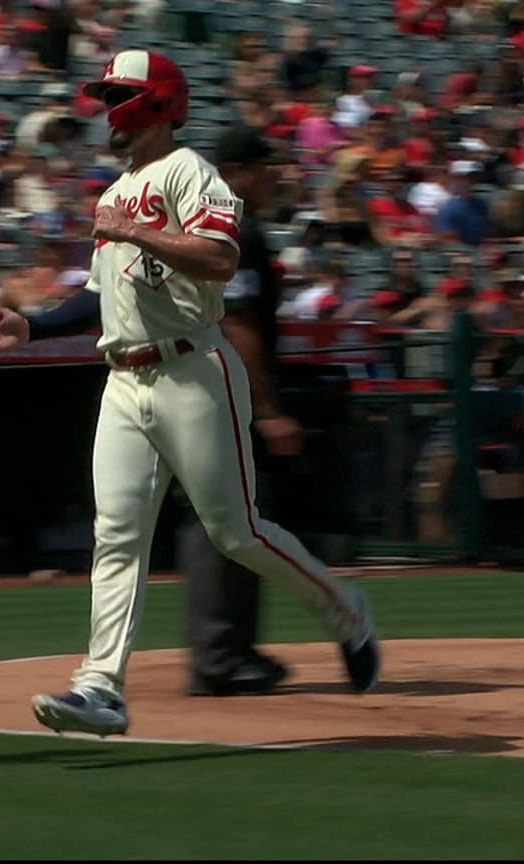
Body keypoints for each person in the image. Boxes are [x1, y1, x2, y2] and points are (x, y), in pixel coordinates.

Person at [0, 49, 379, 738]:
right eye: (106, 94)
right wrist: (30, 326)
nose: (108, 106)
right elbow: (100, 295)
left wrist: (134, 228)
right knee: (116, 534)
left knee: (236, 533)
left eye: (119, 93)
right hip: (123, 379)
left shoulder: (191, 172)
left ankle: (345, 609)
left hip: (193, 368)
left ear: (159, 103)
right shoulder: (113, 191)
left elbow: (221, 256)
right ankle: (99, 687)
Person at [176, 125, 301, 697]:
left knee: (238, 518)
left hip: (194, 385)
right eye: (267, 167)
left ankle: (235, 650)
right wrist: (268, 409)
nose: (276, 177)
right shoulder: (233, 227)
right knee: (220, 522)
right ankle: (218, 658)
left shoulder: (195, 222)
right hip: (219, 391)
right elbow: (241, 322)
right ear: (241, 171)